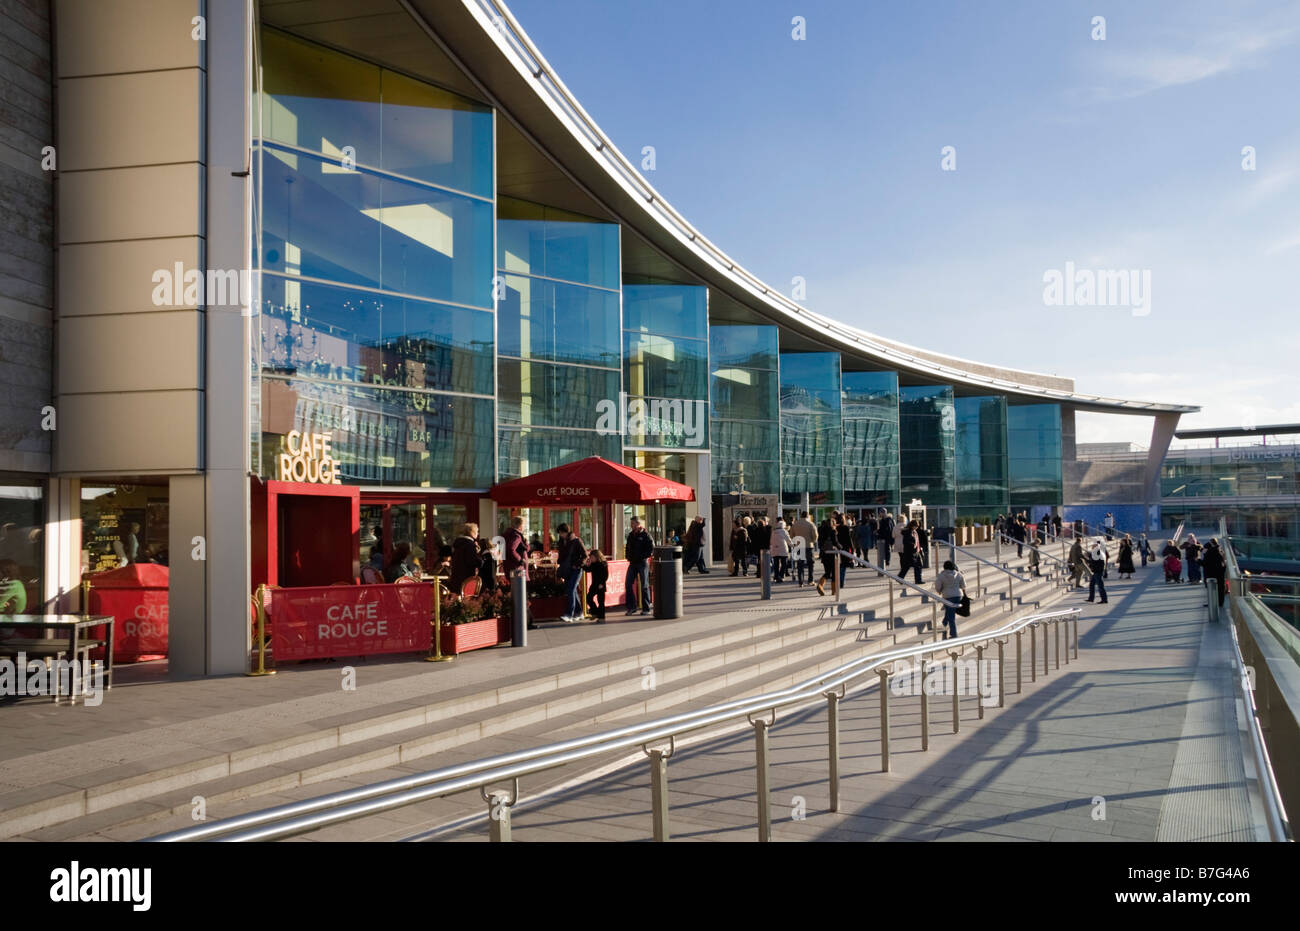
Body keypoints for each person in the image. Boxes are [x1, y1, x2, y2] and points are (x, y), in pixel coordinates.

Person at [555, 523, 587, 622]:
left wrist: (578, 564)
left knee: (571, 589)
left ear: (566, 532)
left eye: (561, 533)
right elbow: (562, 556)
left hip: (576, 569)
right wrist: (560, 564)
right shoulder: (561, 542)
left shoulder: (576, 541)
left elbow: (585, 555)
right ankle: (579, 612)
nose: (560, 535)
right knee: (572, 591)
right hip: (567, 569)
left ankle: (569, 614)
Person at [624, 516, 654, 615]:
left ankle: (646, 608)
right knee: (628, 584)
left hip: (642, 563)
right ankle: (631, 607)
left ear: (638, 524)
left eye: (632, 523)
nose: (631, 525)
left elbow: (651, 549)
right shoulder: (630, 535)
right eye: (631, 523)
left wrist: (642, 556)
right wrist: (628, 556)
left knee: (644, 585)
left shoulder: (646, 535)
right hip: (632, 563)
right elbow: (627, 547)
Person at [933, 560, 967, 640]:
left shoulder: (941, 576)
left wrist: (939, 591)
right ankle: (945, 621)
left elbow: (938, 586)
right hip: (958, 595)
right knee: (950, 610)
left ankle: (954, 634)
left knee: (951, 615)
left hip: (947, 595)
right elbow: (964, 585)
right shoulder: (959, 574)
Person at [448, 524, 482, 591]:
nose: (478, 534)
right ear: (472, 532)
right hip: (467, 578)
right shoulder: (470, 545)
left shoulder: (458, 544)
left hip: (456, 577)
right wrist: (480, 560)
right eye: (477, 531)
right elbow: (472, 561)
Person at [791, 511, 817, 587]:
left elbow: (791, 535)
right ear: (808, 516)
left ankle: (800, 582)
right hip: (809, 546)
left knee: (800, 564)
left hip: (799, 546)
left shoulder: (795, 524)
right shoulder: (811, 524)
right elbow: (815, 535)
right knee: (810, 564)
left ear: (801, 516)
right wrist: (813, 541)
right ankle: (810, 580)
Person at [1201, 539, 1228, 613]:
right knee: (1220, 587)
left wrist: (1198, 560)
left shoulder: (1211, 552)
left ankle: (1213, 602)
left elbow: (1205, 563)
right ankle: (1220, 602)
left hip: (1212, 573)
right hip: (1220, 572)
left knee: (1213, 588)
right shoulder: (1220, 549)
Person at [815, 513, 838, 596]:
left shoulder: (822, 531)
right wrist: (841, 547)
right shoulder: (833, 531)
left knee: (827, 572)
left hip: (824, 554)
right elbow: (835, 542)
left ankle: (820, 585)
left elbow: (820, 543)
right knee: (834, 573)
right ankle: (834, 591)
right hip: (832, 554)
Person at [584, 548, 608, 622]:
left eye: (592, 557)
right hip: (594, 585)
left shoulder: (603, 564)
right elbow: (588, 570)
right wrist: (585, 565)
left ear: (597, 557)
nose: (591, 559)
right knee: (589, 598)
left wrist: (602, 583)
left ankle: (602, 617)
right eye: (590, 557)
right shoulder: (593, 564)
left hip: (600, 585)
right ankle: (595, 612)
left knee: (601, 601)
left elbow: (605, 575)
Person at [503, 516, 529, 581]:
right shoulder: (516, 536)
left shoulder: (508, 534)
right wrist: (520, 560)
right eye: (524, 525)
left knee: (514, 588)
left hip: (510, 566)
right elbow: (511, 549)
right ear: (520, 525)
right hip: (517, 568)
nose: (525, 527)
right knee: (520, 589)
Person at [770, 518, 793, 583]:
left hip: (775, 549)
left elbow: (771, 541)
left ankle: (776, 576)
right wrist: (792, 545)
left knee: (776, 564)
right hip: (783, 549)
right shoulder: (784, 531)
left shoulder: (773, 531)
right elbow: (788, 540)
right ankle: (781, 575)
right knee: (784, 563)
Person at [1086, 539, 1109, 603]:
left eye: (1093, 545)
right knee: (1092, 584)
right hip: (1096, 571)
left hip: (1098, 571)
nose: (1092, 547)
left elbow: (1096, 562)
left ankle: (1104, 599)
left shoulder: (1098, 552)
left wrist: (1087, 560)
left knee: (1100, 586)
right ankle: (1091, 598)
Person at [835, 512, 854, 588]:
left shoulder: (835, 528)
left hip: (836, 548)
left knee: (837, 566)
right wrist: (852, 549)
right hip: (844, 548)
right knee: (843, 566)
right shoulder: (845, 528)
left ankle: (837, 582)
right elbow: (849, 539)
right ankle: (841, 582)